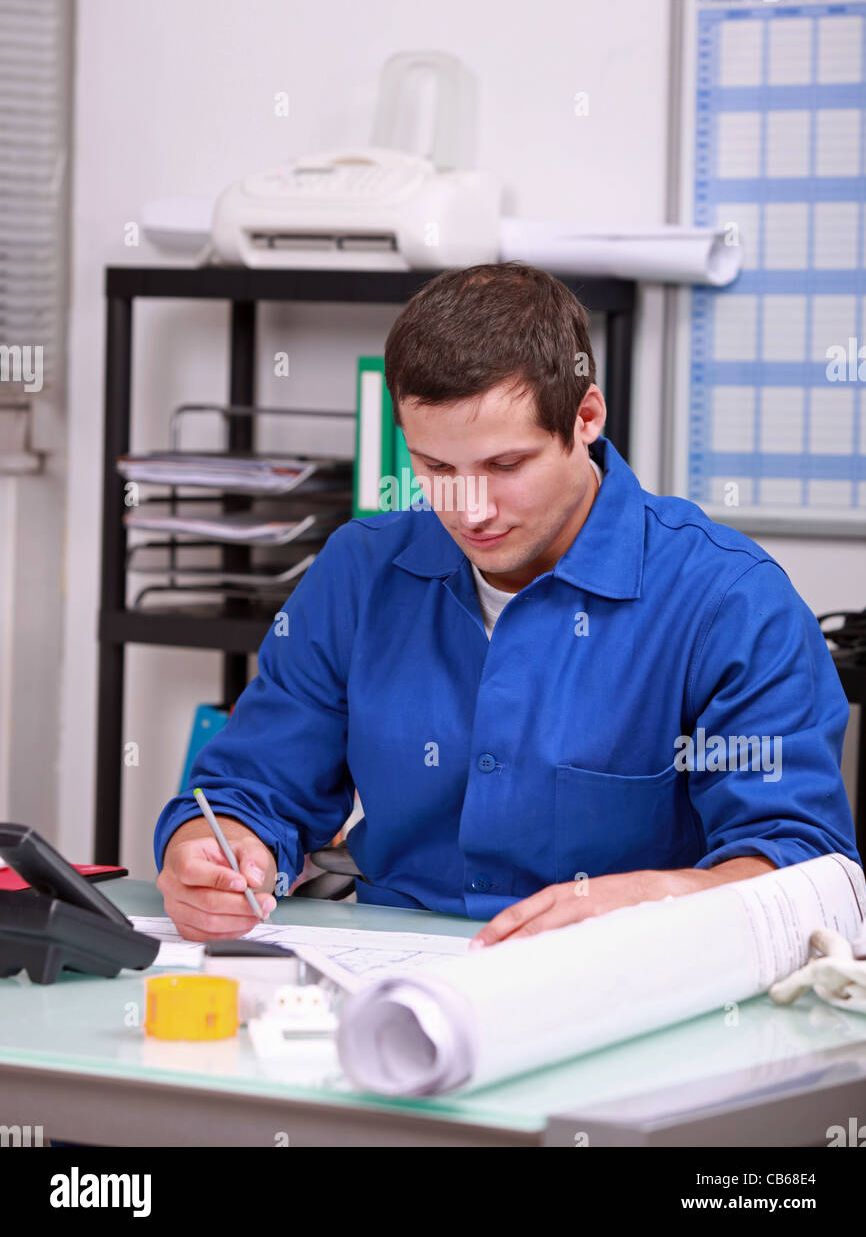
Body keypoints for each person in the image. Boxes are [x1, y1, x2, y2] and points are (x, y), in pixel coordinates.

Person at [154, 262, 859, 947]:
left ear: (585, 417)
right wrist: (215, 856)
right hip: (390, 985)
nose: (472, 510)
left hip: (630, 987)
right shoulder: (359, 570)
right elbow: (251, 788)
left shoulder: (730, 600)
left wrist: (644, 901)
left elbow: (800, 869)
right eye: (436, 468)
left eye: (505, 466)